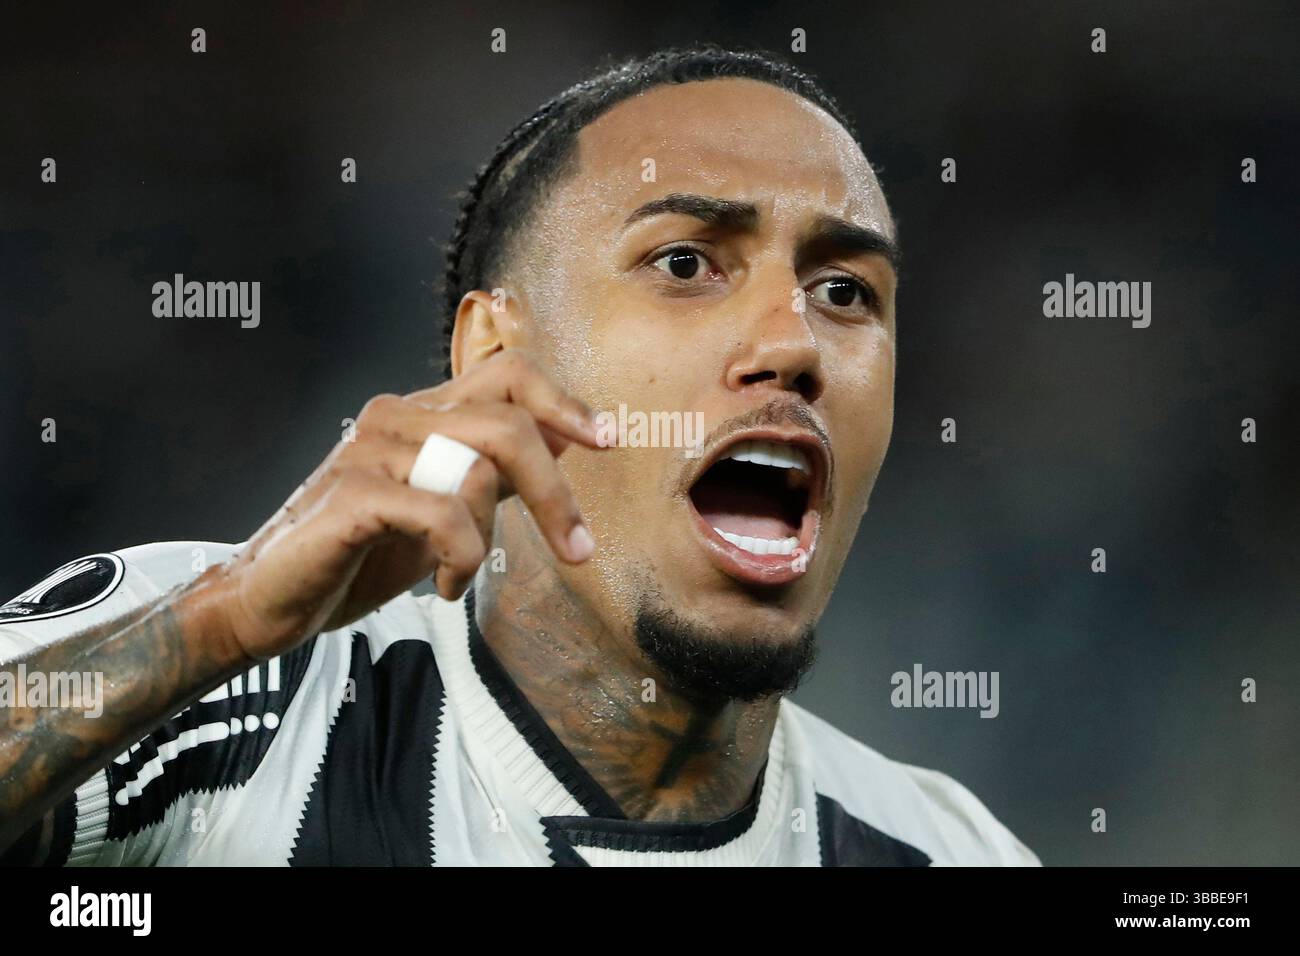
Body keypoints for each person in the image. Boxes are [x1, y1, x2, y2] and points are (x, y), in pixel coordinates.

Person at [0, 45, 1038, 866]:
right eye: (685, 263)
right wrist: (221, 618)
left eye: (845, 291)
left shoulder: (952, 850)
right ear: (494, 355)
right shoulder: (228, 694)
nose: (791, 344)